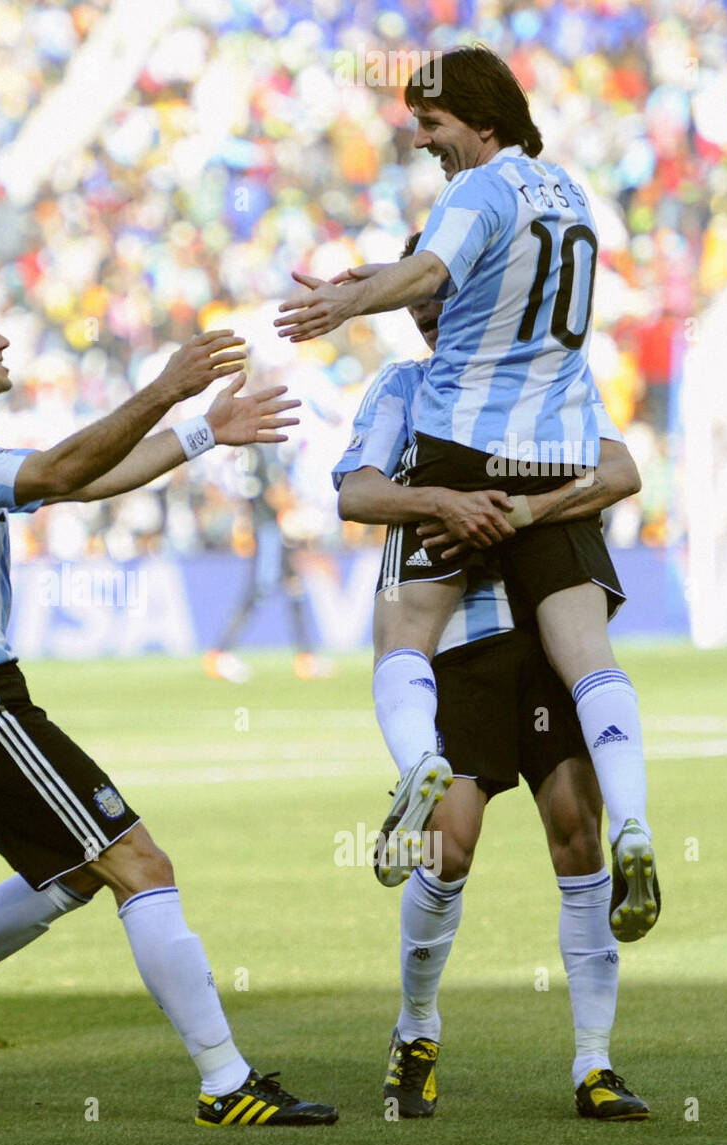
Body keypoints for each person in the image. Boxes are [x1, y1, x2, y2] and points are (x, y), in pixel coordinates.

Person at [0, 284, 336, 1127]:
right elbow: (62, 470)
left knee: (75, 870)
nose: (2, 340)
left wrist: (202, 432)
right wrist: (166, 389)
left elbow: (76, 484)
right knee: (140, 864)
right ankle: (226, 1084)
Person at [276, 45, 657, 947]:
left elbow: (432, 275)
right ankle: (636, 818)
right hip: (554, 442)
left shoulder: (476, 189)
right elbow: (468, 284)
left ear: (483, 121)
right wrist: (370, 279)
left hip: (466, 434)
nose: (423, 143)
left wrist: (346, 303)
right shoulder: (568, 195)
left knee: (403, 631)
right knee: (591, 657)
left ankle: (417, 767)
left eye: (433, 125)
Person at [333, 243, 651, 1119]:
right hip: (464, 643)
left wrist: (532, 509)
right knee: (451, 844)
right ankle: (415, 1034)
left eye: (439, 295)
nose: (428, 314)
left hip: (543, 639)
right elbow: (357, 492)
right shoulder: (403, 386)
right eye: (417, 303)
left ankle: (594, 1063)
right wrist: (443, 504)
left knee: (575, 834)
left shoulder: (547, 374)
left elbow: (621, 470)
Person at [202, 443, 335, 683]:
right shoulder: (263, 451)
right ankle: (220, 654)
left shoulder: (248, 450)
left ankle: (306, 658)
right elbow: (275, 494)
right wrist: (305, 513)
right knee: (259, 590)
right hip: (269, 529)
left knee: (295, 587)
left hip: (270, 528)